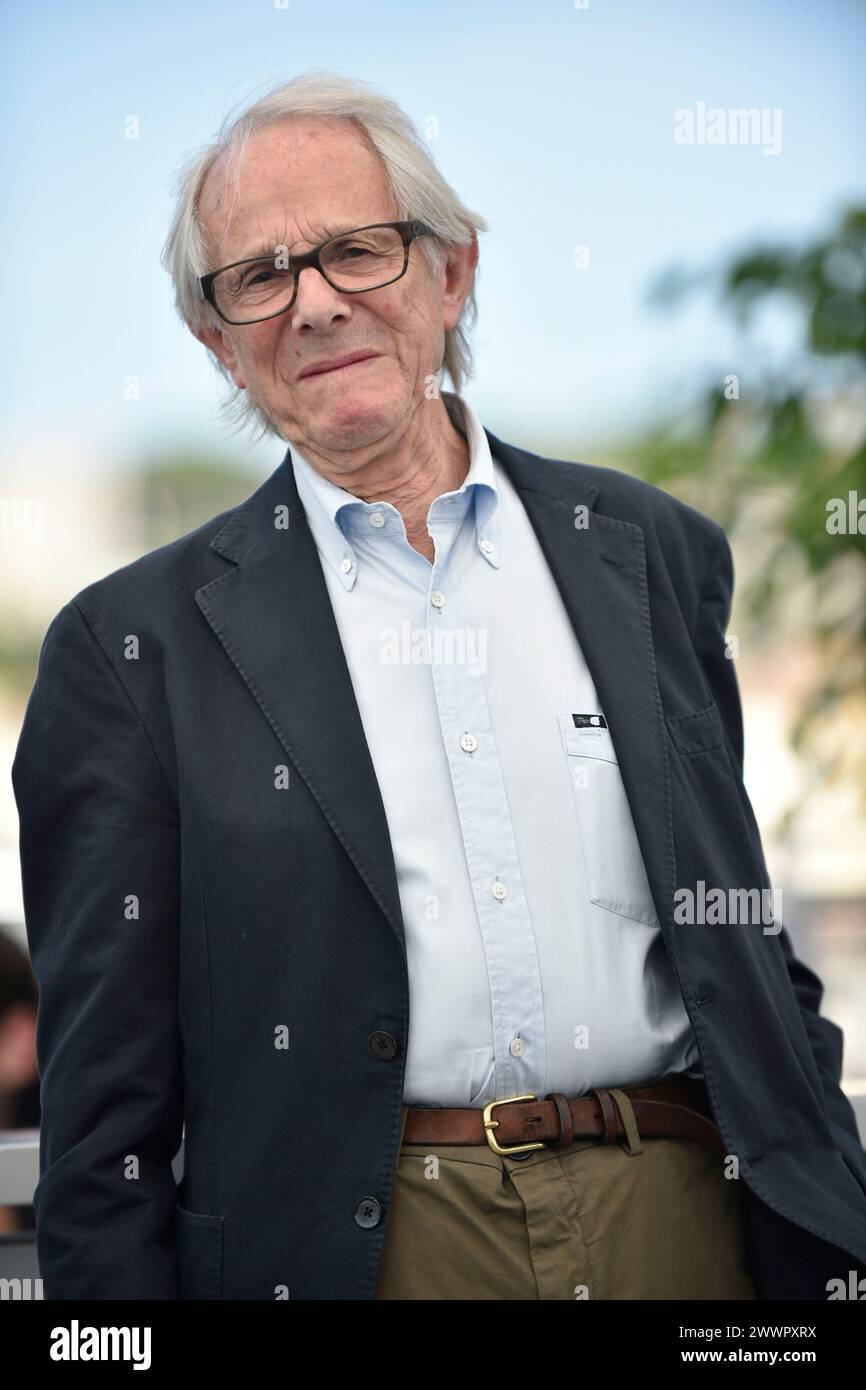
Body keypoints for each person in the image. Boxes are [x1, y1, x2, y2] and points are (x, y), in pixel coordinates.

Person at [12, 70, 866, 1301]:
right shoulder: (128, 647)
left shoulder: (652, 552)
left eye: (357, 251)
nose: (313, 305)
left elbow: (741, 934)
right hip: (360, 1250)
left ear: (451, 271)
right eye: (258, 276)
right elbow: (103, 1098)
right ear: (216, 340)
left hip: (686, 1216)